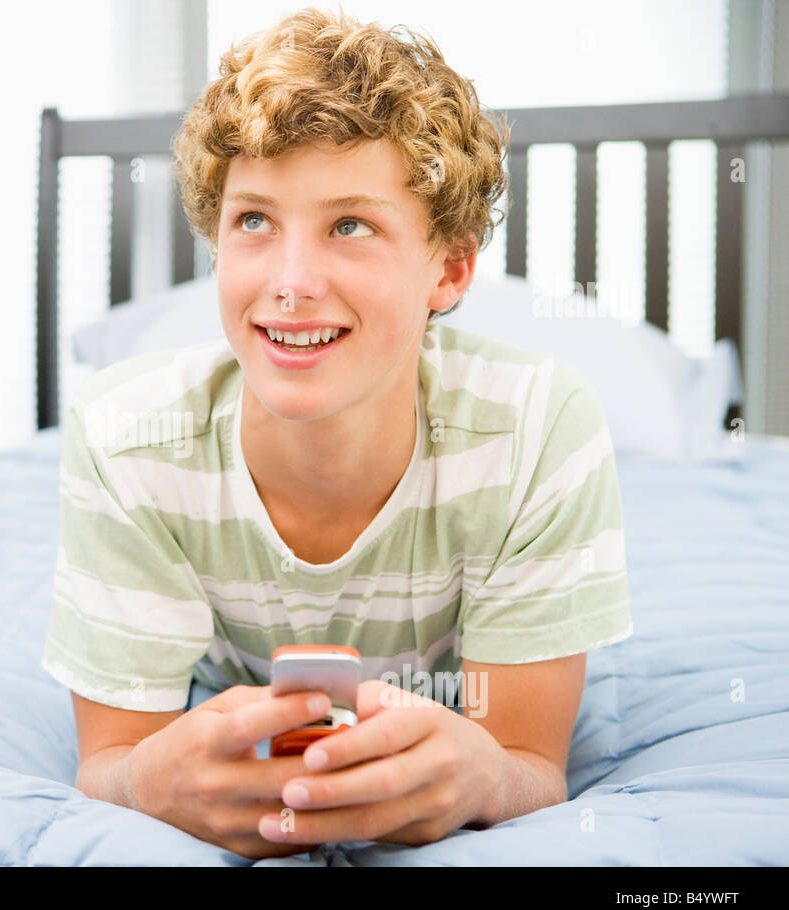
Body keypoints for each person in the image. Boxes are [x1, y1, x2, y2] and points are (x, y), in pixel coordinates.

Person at [41, 6, 633, 861]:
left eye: (350, 225)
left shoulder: (541, 430)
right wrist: (139, 784)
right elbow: (111, 764)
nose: (290, 283)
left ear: (451, 267)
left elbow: (531, 766)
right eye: (253, 221)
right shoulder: (125, 438)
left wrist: (484, 777)